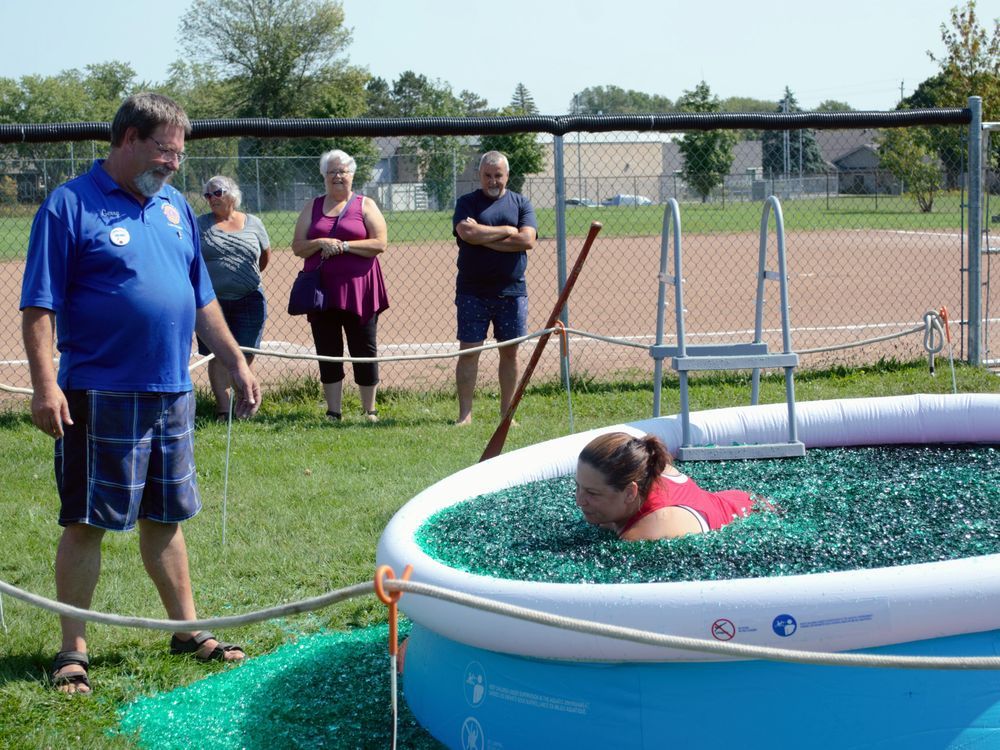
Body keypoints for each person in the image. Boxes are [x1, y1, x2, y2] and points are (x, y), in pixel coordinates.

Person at [20, 92, 260, 694]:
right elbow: (38, 306)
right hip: (98, 392)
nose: (174, 164)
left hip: (171, 391)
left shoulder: (175, 206)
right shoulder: (68, 205)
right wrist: (45, 385)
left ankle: (187, 629)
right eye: (164, 150)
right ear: (127, 139)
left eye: (179, 153)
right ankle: (72, 650)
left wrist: (233, 359)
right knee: (85, 522)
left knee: (166, 517)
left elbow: (200, 296)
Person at [292, 149, 389, 422]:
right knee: (327, 349)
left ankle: (370, 410)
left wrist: (344, 246)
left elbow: (379, 243)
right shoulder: (312, 206)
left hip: (360, 291)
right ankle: (333, 411)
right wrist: (321, 243)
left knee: (364, 348)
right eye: (332, 171)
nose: (337, 176)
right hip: (322, 291)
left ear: (352, 175)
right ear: (324, 176)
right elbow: (298, 246)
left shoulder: (365, 205)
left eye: (342, 171)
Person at [452, 151, 538, 425]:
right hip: (472, 291)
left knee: (510, 353)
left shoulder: (521, 203)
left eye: (498, 175)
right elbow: (466, 233)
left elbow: (527, 240)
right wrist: (507, 231)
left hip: (512, 292)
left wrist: (483, 237)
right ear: (480, 176)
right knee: (469, 352)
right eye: (487, 175)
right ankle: (465, 415)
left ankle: (507, 414)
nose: (492, 181)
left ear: (507, 176)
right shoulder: (467, 202)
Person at [575, 432, 758, 541]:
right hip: (738, 498)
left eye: (592, 493)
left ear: (630, 492)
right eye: (578, 487)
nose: (579, 501)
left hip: (756, 515)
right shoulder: (650, 468)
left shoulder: (647, 532)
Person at [196, 175, 271, 419]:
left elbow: (264, 257)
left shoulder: (254, 223)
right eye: (207, 195)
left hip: (249, 299)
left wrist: (244, 279)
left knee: (245, 354)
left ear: (232, 195)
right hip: (211, 303)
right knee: (218, 354)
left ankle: (243, 406)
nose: (211, 199)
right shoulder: (199, 224)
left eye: (216, 193)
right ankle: (222, 409)